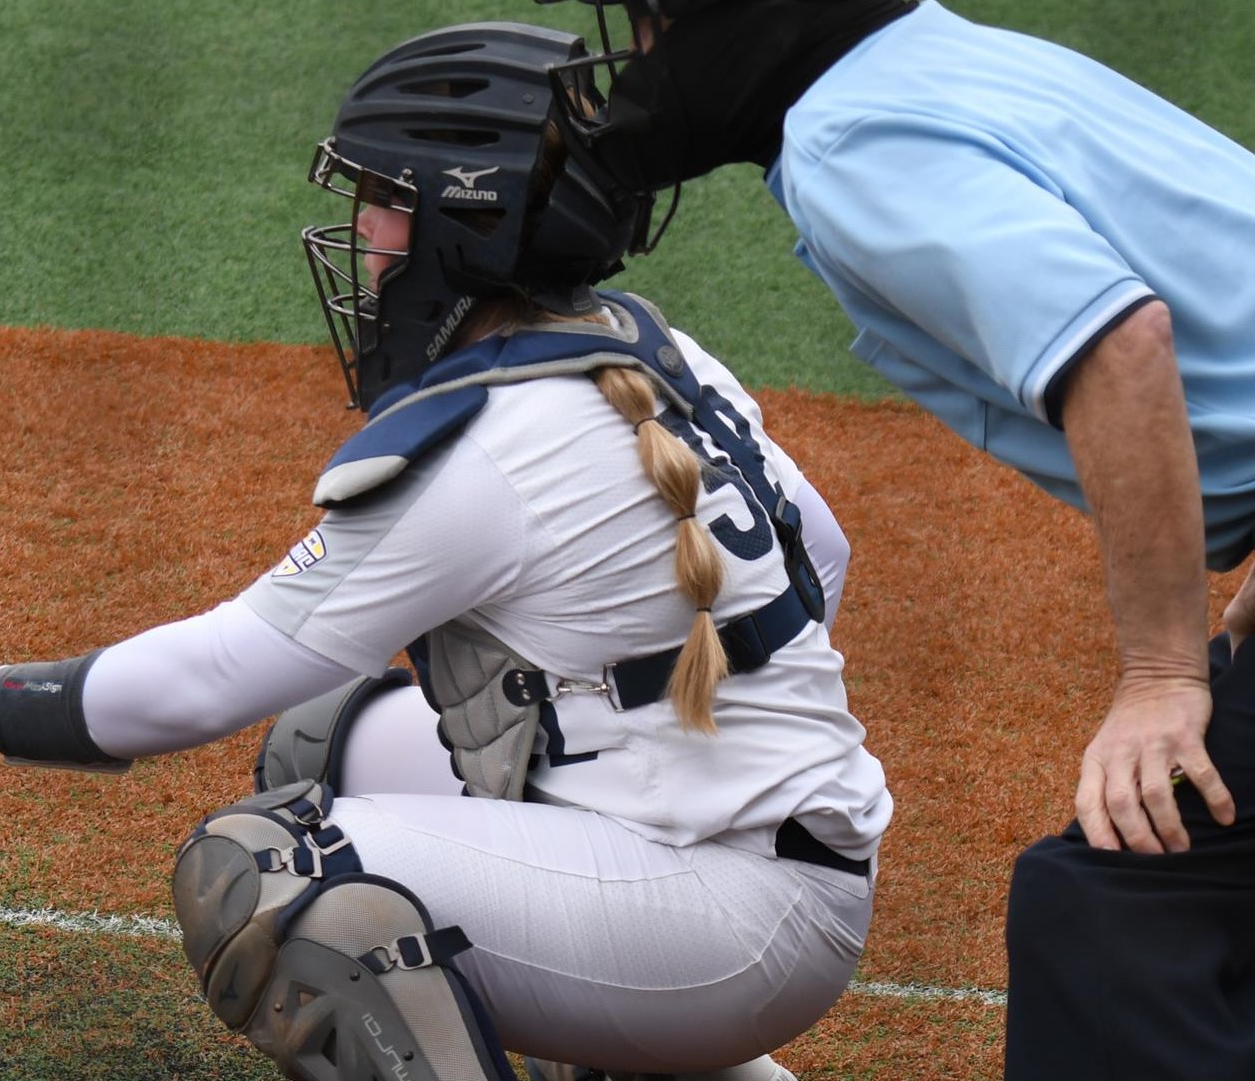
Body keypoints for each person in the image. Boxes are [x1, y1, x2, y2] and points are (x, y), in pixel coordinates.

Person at [0, 22, 887, 1081]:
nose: (360, 231)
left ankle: (645, 1012)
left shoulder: (486, 446)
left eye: (381, 199)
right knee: (323, 747)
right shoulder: (653, 349)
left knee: (271, 877)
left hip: (727, 926)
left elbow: (208, 678)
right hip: (791, 864)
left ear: (462, 225)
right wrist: (656, 736)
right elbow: (817, 554)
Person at [530, 0, 1255, 1075]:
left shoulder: (845, 138)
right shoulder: (947, 53)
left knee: (1111, 914)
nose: (642, 57)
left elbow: (1119, 340)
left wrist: (1161, 675)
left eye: (652, 23)